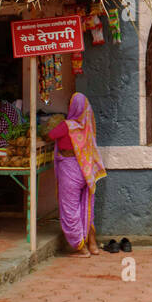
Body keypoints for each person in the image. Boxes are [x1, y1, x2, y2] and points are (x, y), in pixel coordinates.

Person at [48, 92, 106, 255]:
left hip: (69, 170)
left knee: (70, 208)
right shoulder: (88, 126)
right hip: (86, 173)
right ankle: (92, 244)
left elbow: (50, 136)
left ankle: (81, 246)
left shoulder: (67, 125)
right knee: (87, 208)